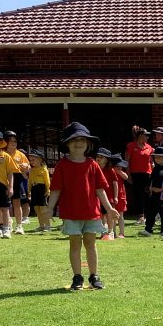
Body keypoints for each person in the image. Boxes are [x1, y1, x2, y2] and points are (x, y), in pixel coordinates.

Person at [46, 122, 119, 291]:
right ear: (67, 144)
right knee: (75, 245)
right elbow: (56, 189)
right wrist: (50, 208)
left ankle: (94, 276)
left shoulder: (92, 164)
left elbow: (100, 189)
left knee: (90, 244)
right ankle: (77, 277)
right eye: (74, 140)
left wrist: (109, 208)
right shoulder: (62, 165)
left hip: (91, 213)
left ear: (88, 144)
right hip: (71, 213)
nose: (78, 143)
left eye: (82, 140)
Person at [140, 146, 163, 238]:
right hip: (154, 195)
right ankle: (148, 230)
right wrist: (151, 188)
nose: (156, 159)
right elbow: (152, 180)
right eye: (155, 157)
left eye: (159, 157)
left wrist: (161, 189)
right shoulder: (155, 168)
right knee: (150, 213)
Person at [125, 127, 153, 225]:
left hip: (147, 174)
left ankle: (148, 216)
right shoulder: (131, 146)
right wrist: (128, 175)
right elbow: (127, 161)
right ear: (140, 136)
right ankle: (140, 216)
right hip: (135, 174)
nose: (148, 137)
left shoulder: (149, 147)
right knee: (138, 195)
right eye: (146, 135)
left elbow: (152, 162)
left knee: (147, 195)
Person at [4, 131, 30, 233]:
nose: (13, 143)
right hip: (5, 178)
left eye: (15, 141)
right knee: (6, 203)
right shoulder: (3, 154)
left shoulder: (20, 154)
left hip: (18, 178)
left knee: (17, 202)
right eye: (10, 141)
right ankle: (8, 223)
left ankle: (19, 225)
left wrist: (26, 167)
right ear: (6, 142)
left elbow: (28, 167)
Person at [27, 148, 53, 233]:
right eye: (30, 160)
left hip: (42, 189)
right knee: (37, 209)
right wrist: (29, 191)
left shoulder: (44, 169)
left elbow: (47, 181)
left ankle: (48, 226)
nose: (32, 162)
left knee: (43, 208)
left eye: (33, 159)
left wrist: (48, 190)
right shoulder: (32, 170)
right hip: (34, 189)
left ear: (40, 159)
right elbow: (30, 181)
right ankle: (41, 225)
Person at [107, 154, 129, 238]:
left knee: (120, 215)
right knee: (112, 216)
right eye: (119, 166)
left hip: (121, 196)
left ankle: (121, 233)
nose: (121, 167)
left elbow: (126, 177)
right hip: (111, 196)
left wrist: (119, 171)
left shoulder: (120, 172)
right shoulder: (110, 171)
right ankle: (113, 233)